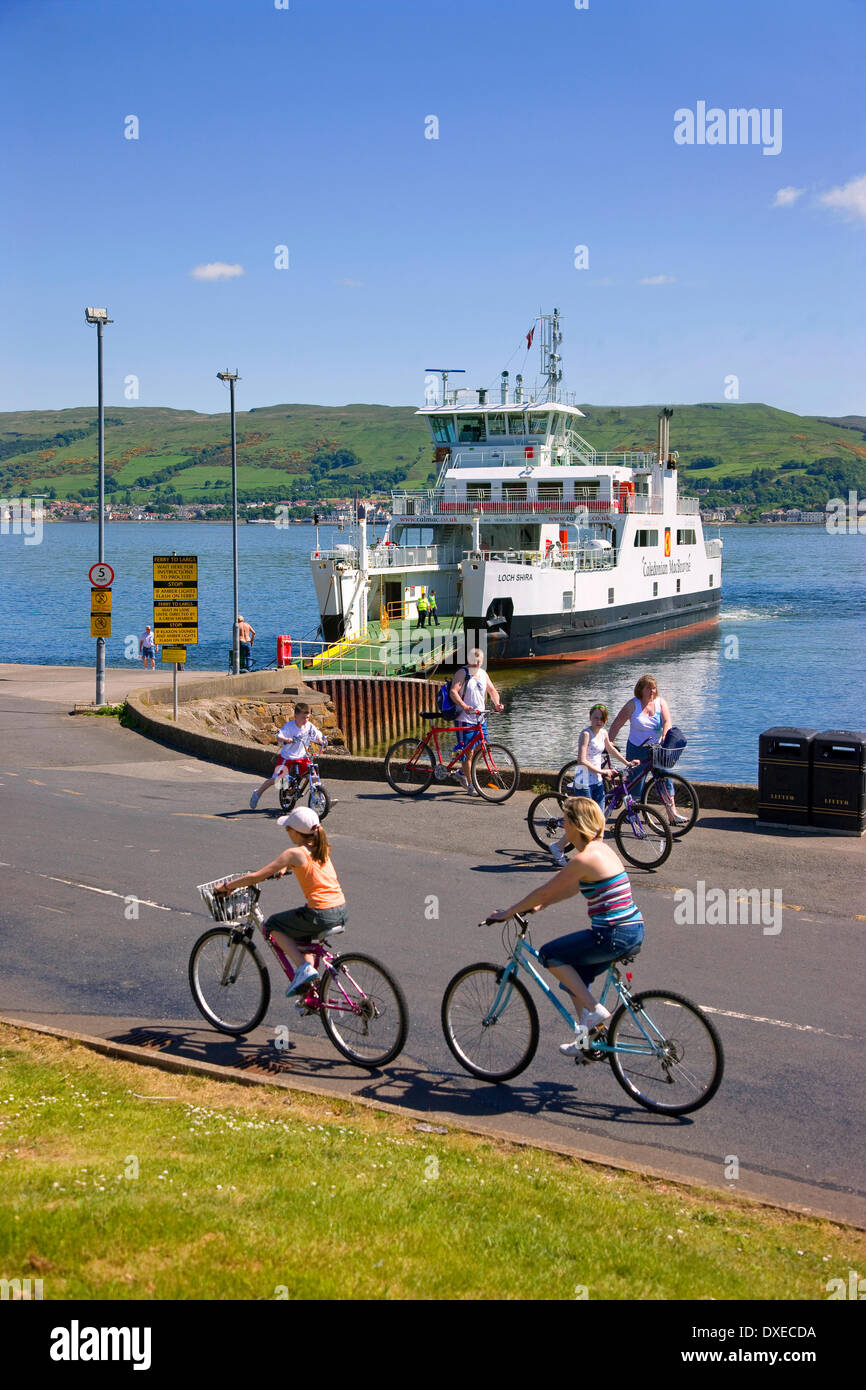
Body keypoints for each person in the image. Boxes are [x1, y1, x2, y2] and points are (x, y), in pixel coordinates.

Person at [487, 797, 645, 1056]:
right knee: (575, 981)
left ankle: (595, 1011)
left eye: (565, 820)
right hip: (633, 930)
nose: (562, 825)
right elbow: (571, 888)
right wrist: (543, 906)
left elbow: (544, 890)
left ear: (576, 825)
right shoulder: (601, 851)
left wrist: (508, 912)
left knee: (550, 955)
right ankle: (586, 1042)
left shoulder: (583, 859)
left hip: (611, 934)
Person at [215, 806, 347, 997]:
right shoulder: (321, 847)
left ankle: (303, 968)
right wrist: (285, 868)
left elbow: (257, 876)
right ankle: (310, 988)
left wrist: (228, 886)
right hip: (340, 910)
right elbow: (309, 867)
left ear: (295, 832)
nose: (287, 833)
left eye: (288, 829)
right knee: (301, 935)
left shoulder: (294, 853)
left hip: (320, 913)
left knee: (273, 925)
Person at [548, 704, 639, 867]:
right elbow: (581, 760)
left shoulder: (603, 733)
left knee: (600, 820)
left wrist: (627, 762)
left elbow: (611, 750)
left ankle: (596, 855)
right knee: (584, 822)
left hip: (597, 781)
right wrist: (603, 772)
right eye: (596, 718)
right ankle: (558, 847)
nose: (599, 721)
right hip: (584, 783)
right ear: (590, 717)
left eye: (602, 719)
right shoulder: (585, 734)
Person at [608, 673, 685, 822]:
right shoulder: (632, 705)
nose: (652, 692)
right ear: (641, 689)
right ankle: (632, 813)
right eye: (649, 689)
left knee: (665, 778)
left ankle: (672, 814)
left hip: (656, 748)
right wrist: (609, 741)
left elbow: (667, 721)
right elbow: (617, 723)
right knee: (636, 781)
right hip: (636, 747)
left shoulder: (660, 702)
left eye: (654, 688)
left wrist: (665, 735)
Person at [249, 702, 327, 809]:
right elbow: (279, 737)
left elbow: (317, 736)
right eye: (303, 718)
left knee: (313, 775)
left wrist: (321, 741)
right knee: (277, 779)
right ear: (295, 716)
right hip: (287, 757)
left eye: (307, 717)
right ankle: (257, 793)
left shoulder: (309, 726)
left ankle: (322, 799)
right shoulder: (289, 727)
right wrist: (286, 740)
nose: (306, 720)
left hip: (302, 756)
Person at [449, 647, 504, 795]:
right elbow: (453, 692)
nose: (476, 665)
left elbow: (492, 691)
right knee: (469, 753)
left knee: (483, 749)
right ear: (469, 661)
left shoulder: (483, 674)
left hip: (480, 718)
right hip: (465, 719)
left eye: (479, 662)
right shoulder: (462, 673)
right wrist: (464, 706)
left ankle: (461, 772)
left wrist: (497, 704)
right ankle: (470, 785)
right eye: (474, 662)